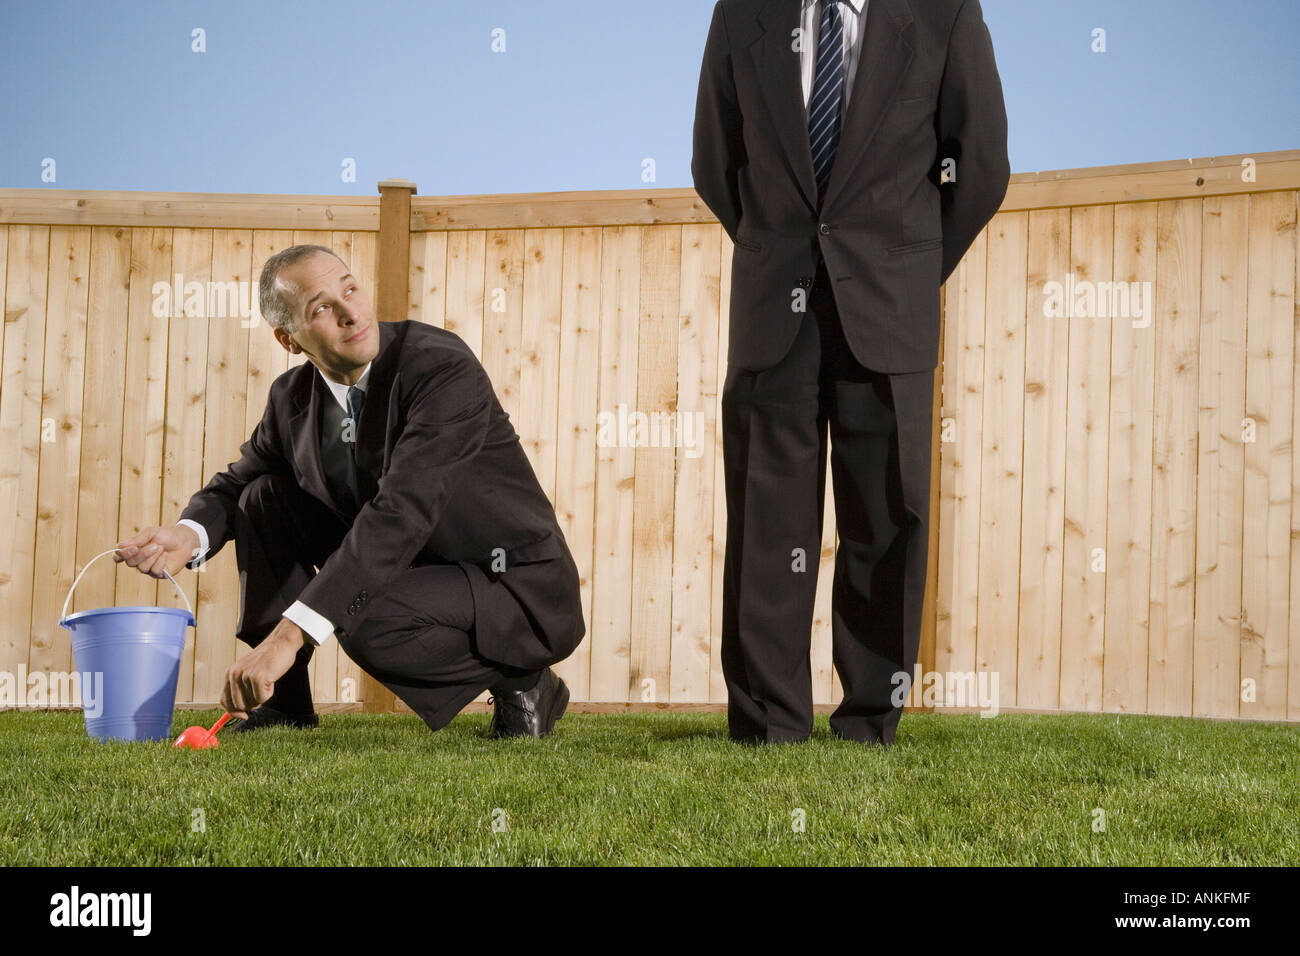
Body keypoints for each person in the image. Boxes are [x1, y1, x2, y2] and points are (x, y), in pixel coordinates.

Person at [691, 0, 1009, 744]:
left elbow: (982, 166)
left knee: (886, 523)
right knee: (768, 525)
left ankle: (870, 720)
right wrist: (783, 254)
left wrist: (907, 270)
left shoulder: (944, 14)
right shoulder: (743, 14)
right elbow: (716, 161)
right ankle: (768, 725)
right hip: (777, 311)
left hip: (888, 315)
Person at [114, 244, 583, 737]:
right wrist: (190, 534)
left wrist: (289, 635)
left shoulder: (440, 366)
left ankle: (525, 680)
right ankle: (282, 704)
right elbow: (239, 484)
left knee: (363, 617)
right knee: (264, 498)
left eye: (350, 288)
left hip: (508, 580)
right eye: (320, 307)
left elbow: (401, 511)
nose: (350, 312)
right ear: (288, 339)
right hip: (412, 568)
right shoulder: (290, 399)